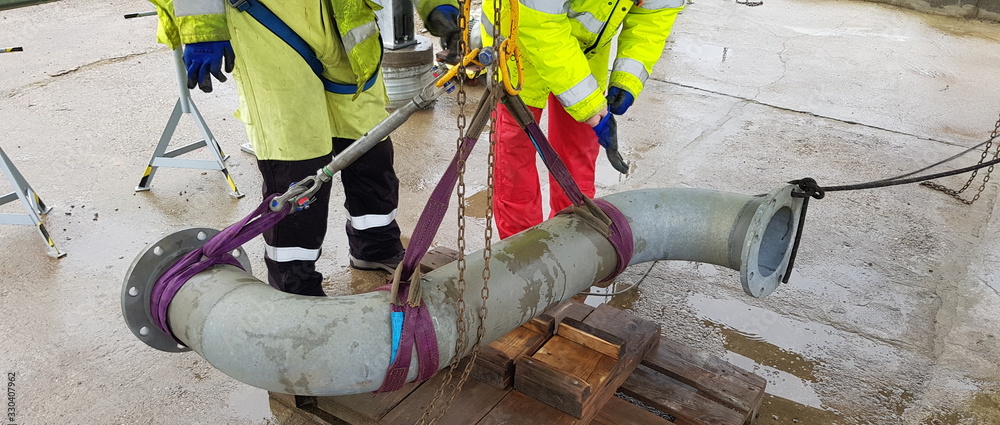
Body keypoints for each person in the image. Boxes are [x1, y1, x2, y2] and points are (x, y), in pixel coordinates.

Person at [149, 0, 459, 296]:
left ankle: (375, 245)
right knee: (297, 158)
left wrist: (435, 4)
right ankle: (294, 282)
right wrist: (202, 29)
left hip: (344, 19)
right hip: (260, 17)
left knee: (369, 143)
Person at [481, 0, 686, 238]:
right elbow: (540, 27)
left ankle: (573, 240)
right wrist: (587, 104)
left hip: (585, 50)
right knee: (516, 155)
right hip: (520, 40)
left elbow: (654, 15)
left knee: (578, 152)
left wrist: (628, 78)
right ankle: (522, 249)